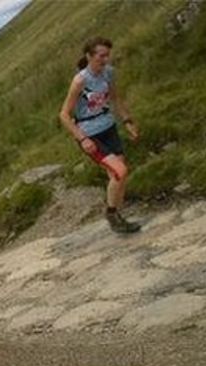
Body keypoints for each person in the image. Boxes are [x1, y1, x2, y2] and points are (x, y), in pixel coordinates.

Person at [59, 36, 140, 234]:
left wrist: (127, 121)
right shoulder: (80, 81)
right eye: (101, 56)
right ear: (89, 56)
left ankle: (119, 219)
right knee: (120, 171)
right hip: (90, 135)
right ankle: (112, 214)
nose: (105, 60)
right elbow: (64, 115)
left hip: (109, 127)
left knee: (117, 177)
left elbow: (115, 98)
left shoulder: (108, 73)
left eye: (107, 55)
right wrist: (82, 139)